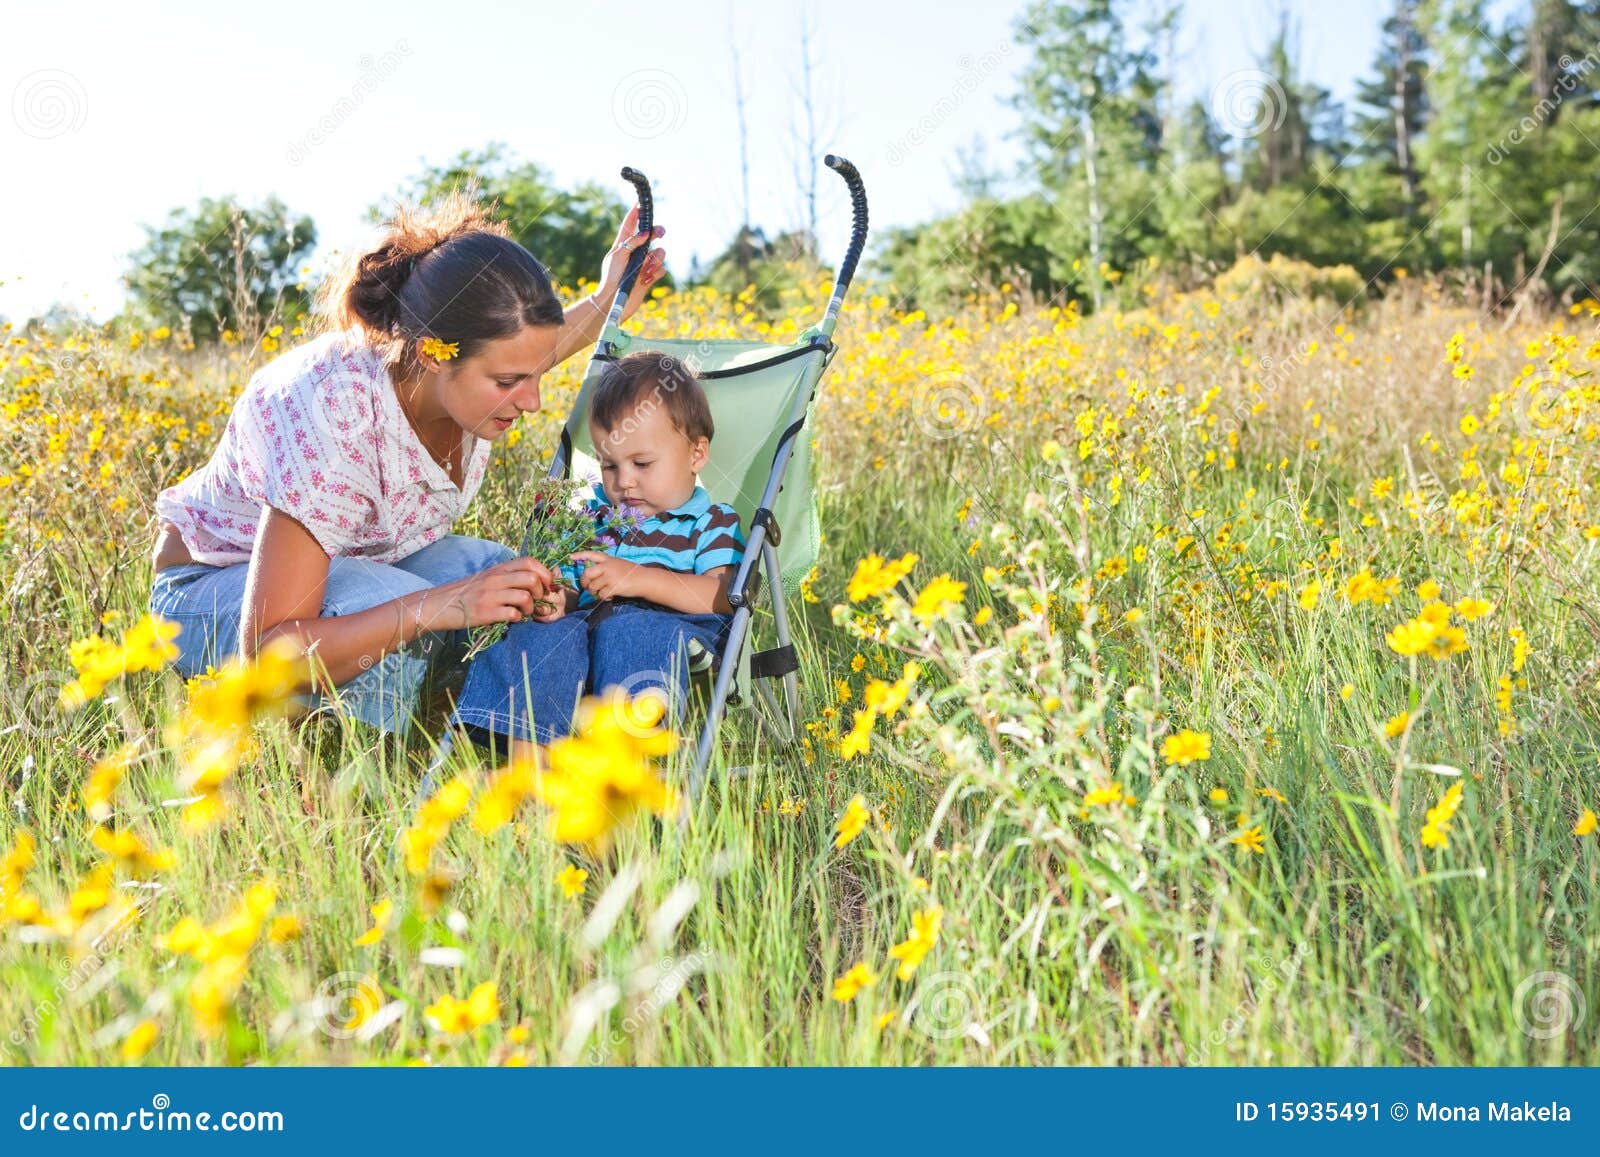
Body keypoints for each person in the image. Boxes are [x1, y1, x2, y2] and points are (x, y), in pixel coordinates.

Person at [147, 192, 669, 734]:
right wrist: (438, 606)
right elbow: (267, 648)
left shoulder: (461, 368)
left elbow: (522, 353)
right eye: (512, 383)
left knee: (503, 574)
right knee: (398, 603)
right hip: (207, 598)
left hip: (348, 569)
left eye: (534, 374)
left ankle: (481, 719)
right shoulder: (335, 418)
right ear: (432, 353)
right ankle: (360, 771)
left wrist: (611, 293)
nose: (533, 401)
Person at [450, 350, 745, 756]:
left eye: (642, 463)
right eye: (609, 466)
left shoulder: (710, 521)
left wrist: (637, 579)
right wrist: (557, 599)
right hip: (585, 629)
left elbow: (722, 596)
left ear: (696, 454)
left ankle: (619, 763)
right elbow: (571, 590)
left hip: (663, 633)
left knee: (630, 630)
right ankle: (532, 771)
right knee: (539, 632)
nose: (624, 482)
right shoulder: (592, 518)